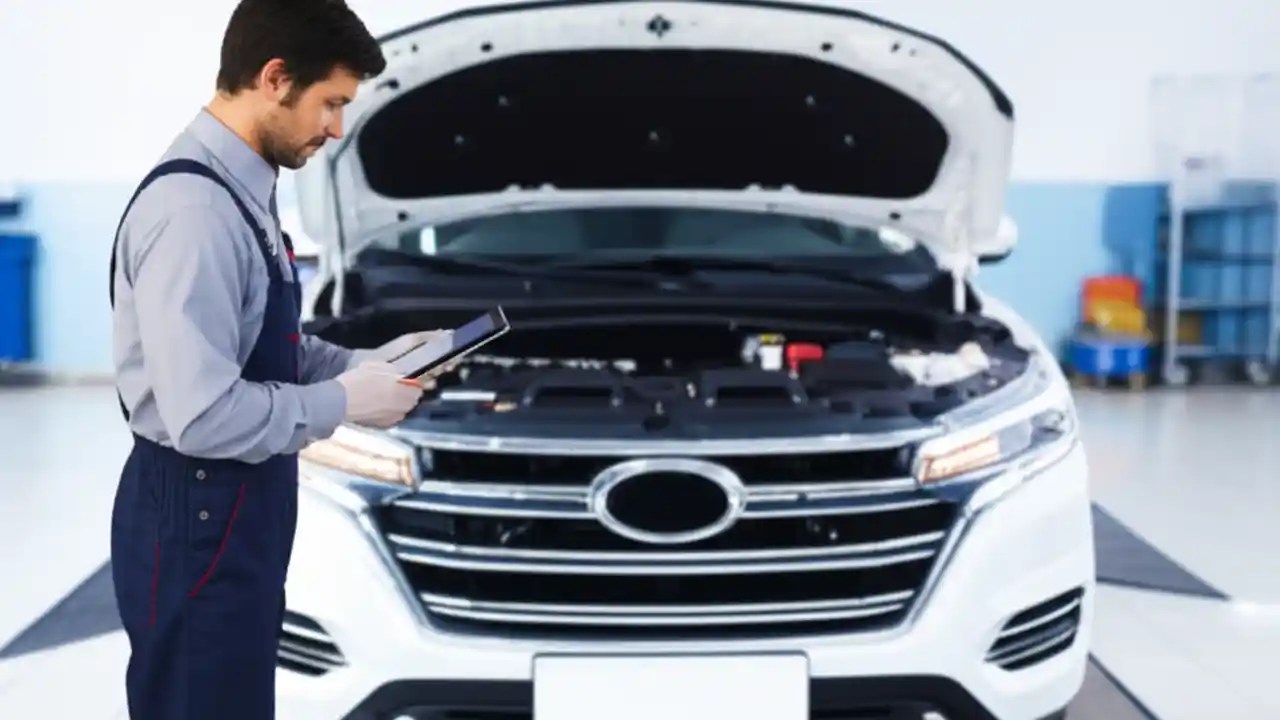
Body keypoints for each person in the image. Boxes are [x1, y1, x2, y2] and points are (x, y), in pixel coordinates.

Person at [107, 1, 436, 718]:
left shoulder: (242, 190)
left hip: (229, 515)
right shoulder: (195, 214)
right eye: (332, 104)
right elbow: (203, 416)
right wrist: (347, 403)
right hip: (196, 515)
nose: (337, 129)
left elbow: (264, 346)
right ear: (276, 78)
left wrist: (362, 363)